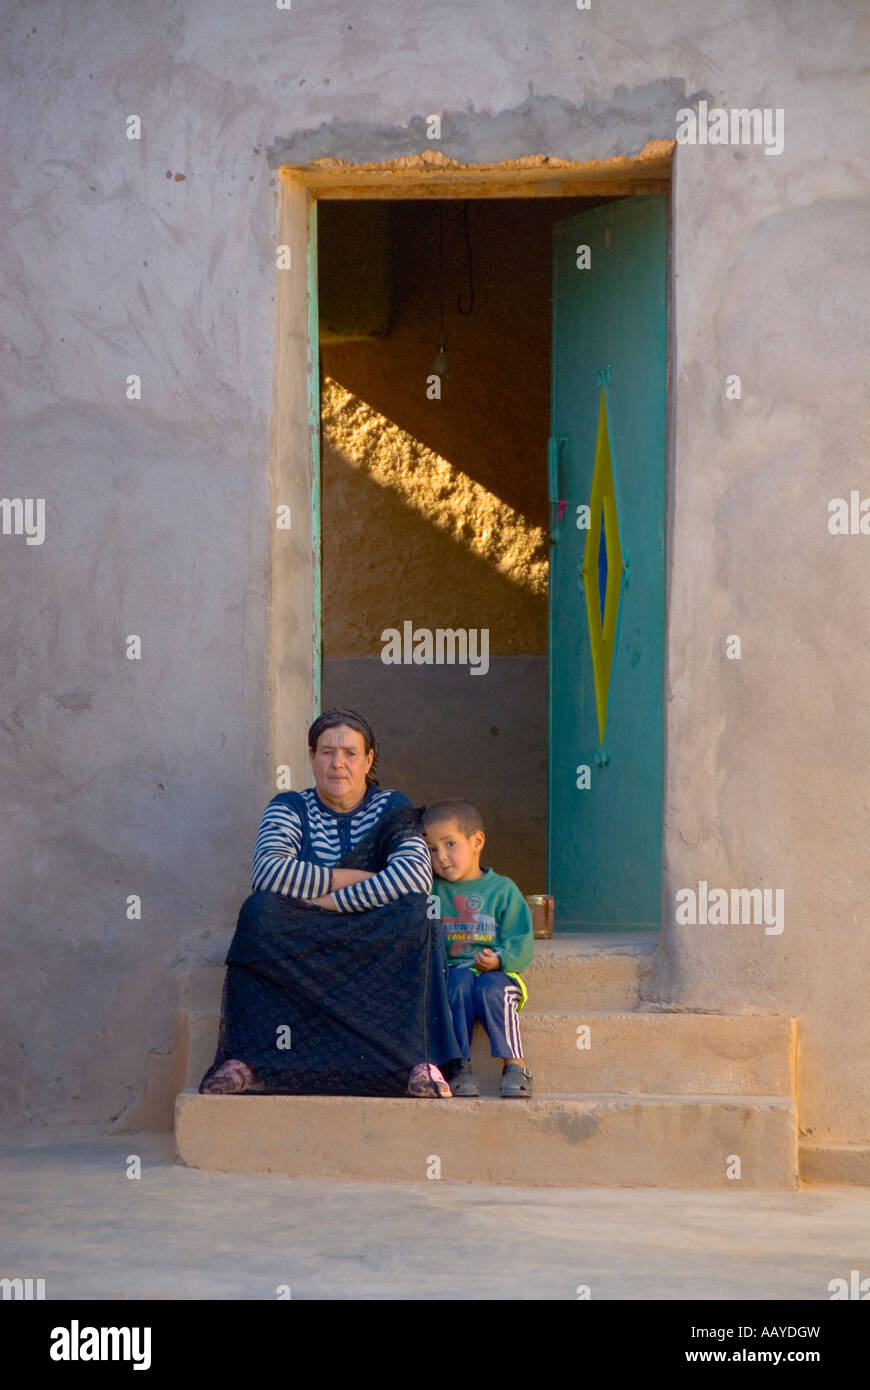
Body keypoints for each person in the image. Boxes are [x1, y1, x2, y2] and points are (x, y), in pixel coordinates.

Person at [199, 709, 459, 1098]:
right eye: (327, 752)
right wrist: (349, 878)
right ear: (312, 756)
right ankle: (248, 1060)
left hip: (370, 936)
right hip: (305, 936)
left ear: (369, 760)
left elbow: (414, 877)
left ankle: (418, 1062)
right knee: (260, 913)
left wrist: (328, 902)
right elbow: (268, 873)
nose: (338, 763)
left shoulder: (391, 807)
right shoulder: (288, 806)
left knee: (417, 913)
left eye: (350, 753)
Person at [422, 799, 534, 1098]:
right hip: (455, 974)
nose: (442, 857)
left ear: (477, 841)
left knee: (491, 990)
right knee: (456, 984)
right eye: (432, 849)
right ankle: (458, 1067)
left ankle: (515, 1066)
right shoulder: (430, 888)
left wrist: (498, 960)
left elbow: (521, 941)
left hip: (498, 976)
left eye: (449, 844)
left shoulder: (503, 890)